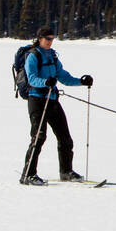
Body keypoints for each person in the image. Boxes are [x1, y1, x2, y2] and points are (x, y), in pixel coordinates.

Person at [19, 26, 94, 186]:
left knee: (65, 138)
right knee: (39, 137)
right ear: (40, 39)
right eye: (47, 39)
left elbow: (63, 76)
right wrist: (45, 82)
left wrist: (81, 81)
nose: (50, 42)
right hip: (37, 100)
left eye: (52, 39)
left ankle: (66, 172)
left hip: (52, 100)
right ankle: (28, 175)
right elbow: (32, 78)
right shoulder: (33, 56)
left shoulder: (52, 56)